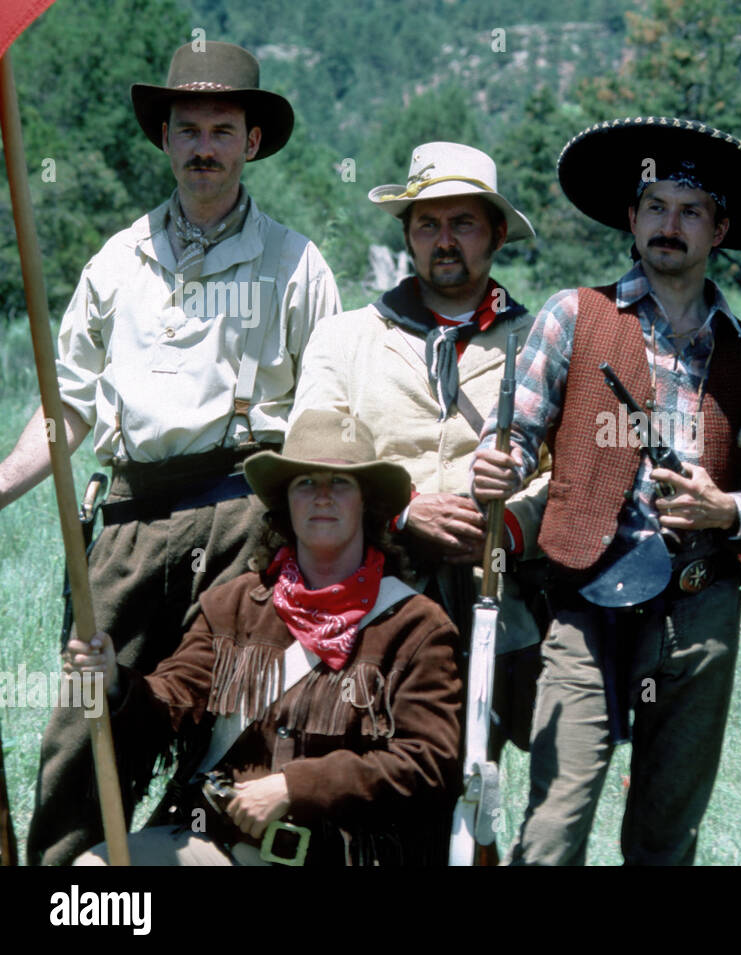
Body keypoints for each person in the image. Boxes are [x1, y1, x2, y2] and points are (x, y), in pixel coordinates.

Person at [0, 41, 341, 865]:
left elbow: (326, 416)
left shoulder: (297, 265)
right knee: (89, 717)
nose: (204, 147)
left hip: (245, 520)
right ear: (164, 139)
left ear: (252, 142)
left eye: (223, 129)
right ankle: (68, 888)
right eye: (187, 129)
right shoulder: (117, 263)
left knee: (233, 727)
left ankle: (195, 862)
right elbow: (66, 407)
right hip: (127, 522)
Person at [472, 116, 741, 865]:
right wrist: (497, 466)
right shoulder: (574, 316)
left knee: (666, 831)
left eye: (691, 211)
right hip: (585, 596)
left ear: (719, 229)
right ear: (631, 217)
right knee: (557, 818)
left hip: (700, 602)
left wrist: (728, 510)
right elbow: (516, 438)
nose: (670, 225)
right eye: (655, 205)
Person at [64, 409, 462, 865]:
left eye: (341, 483)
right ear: (285, 504)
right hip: (225, 847)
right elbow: (174, 700)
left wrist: (297, 787)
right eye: (306, 483)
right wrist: (116, 681)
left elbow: (430, 764)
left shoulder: (417, 627)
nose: (323, 497)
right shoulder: (232, 606)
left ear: (366, 503)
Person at [290, 142, 548, 757]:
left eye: (463, 223)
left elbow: (569, 471)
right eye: (428, 224)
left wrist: (510, 524)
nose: (445, 240)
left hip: (499, 597)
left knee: (478, 783)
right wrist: (402, 512)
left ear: (497, 234)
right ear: (407, 236)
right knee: (359, 769)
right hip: (368, 593)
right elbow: (313, 458)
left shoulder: (541, 341)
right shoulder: (344, 338)